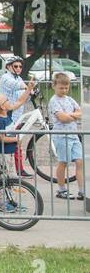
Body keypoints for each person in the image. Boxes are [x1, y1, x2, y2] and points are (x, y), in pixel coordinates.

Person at [48, 72, 85, 200]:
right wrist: (73, 115)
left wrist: (71, 116)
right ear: (55, 86)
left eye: (66, 88)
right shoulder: (54, 101)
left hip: (73, 135)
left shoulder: (69, 99)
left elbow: (81, 112)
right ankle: (61, 189)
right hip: (61, 136)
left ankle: (82, 190)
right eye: (61, 88)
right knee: (63, 162)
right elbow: (62, 118)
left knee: (79, 161)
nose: (64, 90)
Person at [0, 54, 36, 174]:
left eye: (20, 66)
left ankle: (19, 169)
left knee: (17, 143)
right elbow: (15, 86)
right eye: (16, 66)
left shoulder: (18, 78)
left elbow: (23, 97)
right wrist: (27, 87)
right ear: (8, 67)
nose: (19, 68)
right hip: (7, 115)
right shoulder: (6, 77)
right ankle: (11, 169)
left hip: (16, 115)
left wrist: (32, 93)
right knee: (10, 143)